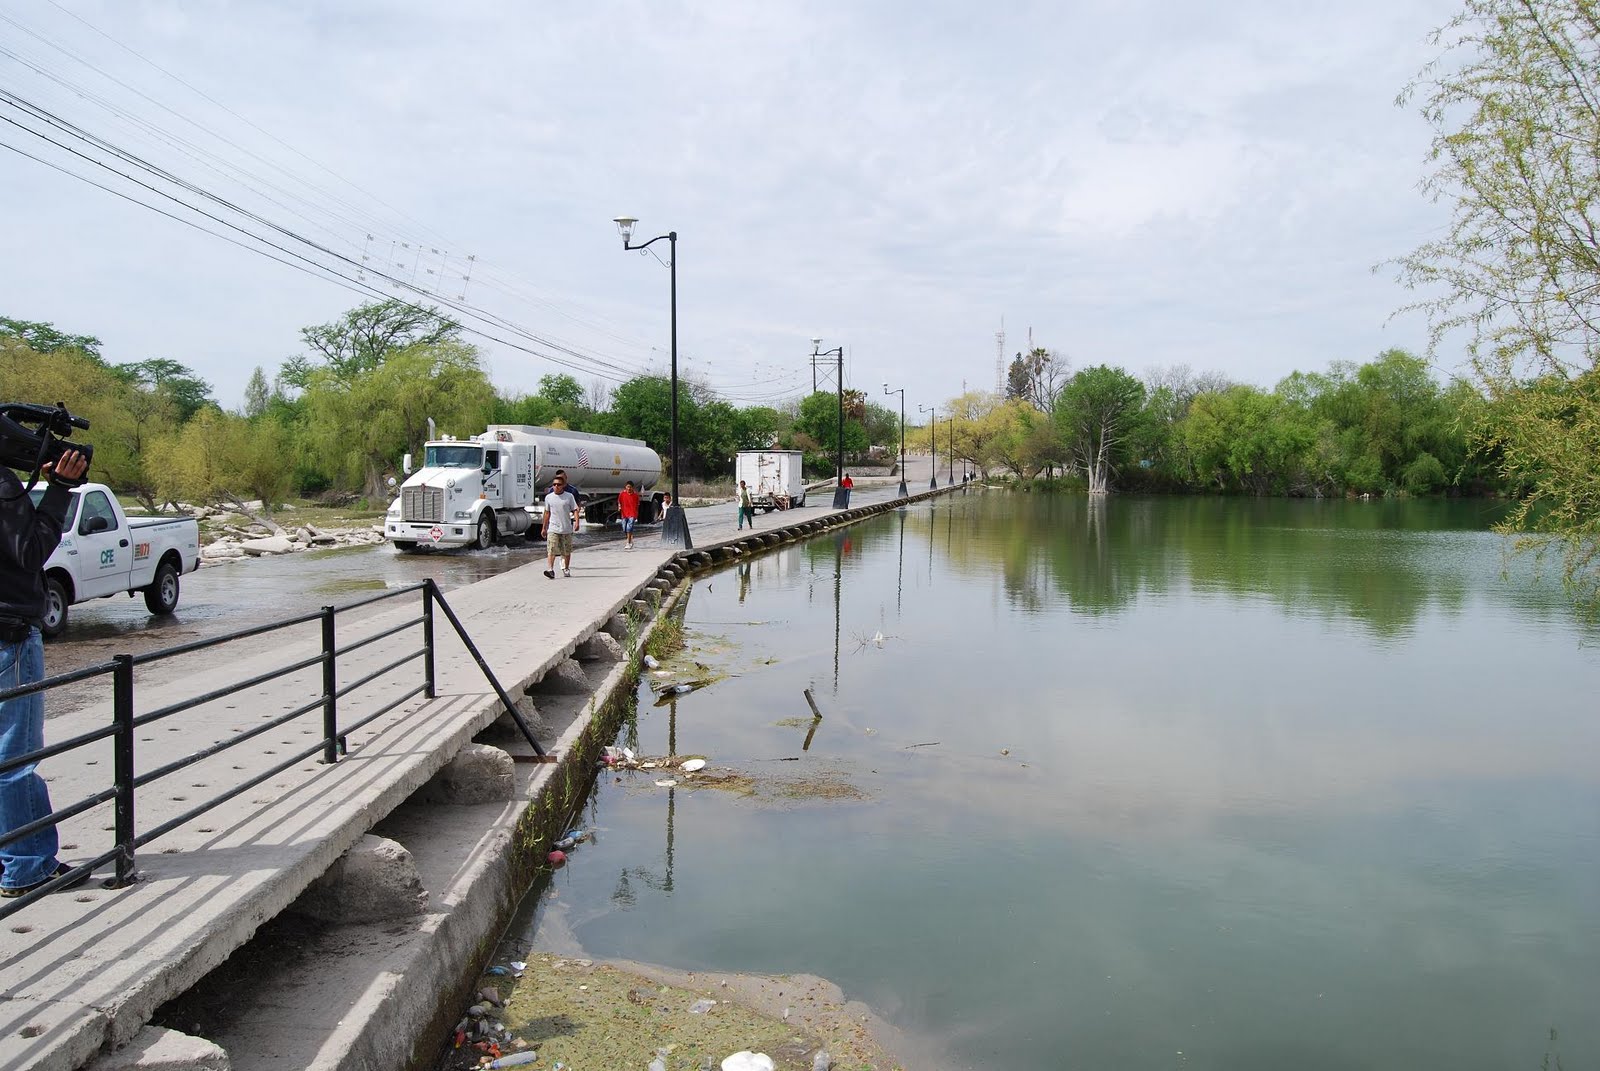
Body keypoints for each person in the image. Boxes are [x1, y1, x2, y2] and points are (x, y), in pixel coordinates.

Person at [2, 448, 90, 899]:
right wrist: (58, 489)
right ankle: (27, 867)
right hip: (8, 635)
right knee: (14, 758)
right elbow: (29, 551)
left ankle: (12, 857)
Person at [541, 471, 580, 579]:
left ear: (563, 485)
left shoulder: (569, 496)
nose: (556, 486)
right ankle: (550, 570)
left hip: (566, 528)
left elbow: (575, 510)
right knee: (551, 550)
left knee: (566, 551)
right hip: (553, 528)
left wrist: (577, 522)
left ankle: (566, 568)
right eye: (554, 485)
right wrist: (544, 527)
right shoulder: (549, 497)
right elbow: (547, 513)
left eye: (558, 484)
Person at [618, 480, 640, 550]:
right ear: (625, 487)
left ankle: (628, 543)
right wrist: (619, 506)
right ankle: (630, 537)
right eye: (627, 487)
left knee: (629, 528)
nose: (629, 488)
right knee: (624, 528)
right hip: (624, 514)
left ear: (632, 488)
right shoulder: (622, 494)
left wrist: (635, 514)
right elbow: (619, 501)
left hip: (632, 514)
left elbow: (637, 505)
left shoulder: (635, 495)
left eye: (630, 487)